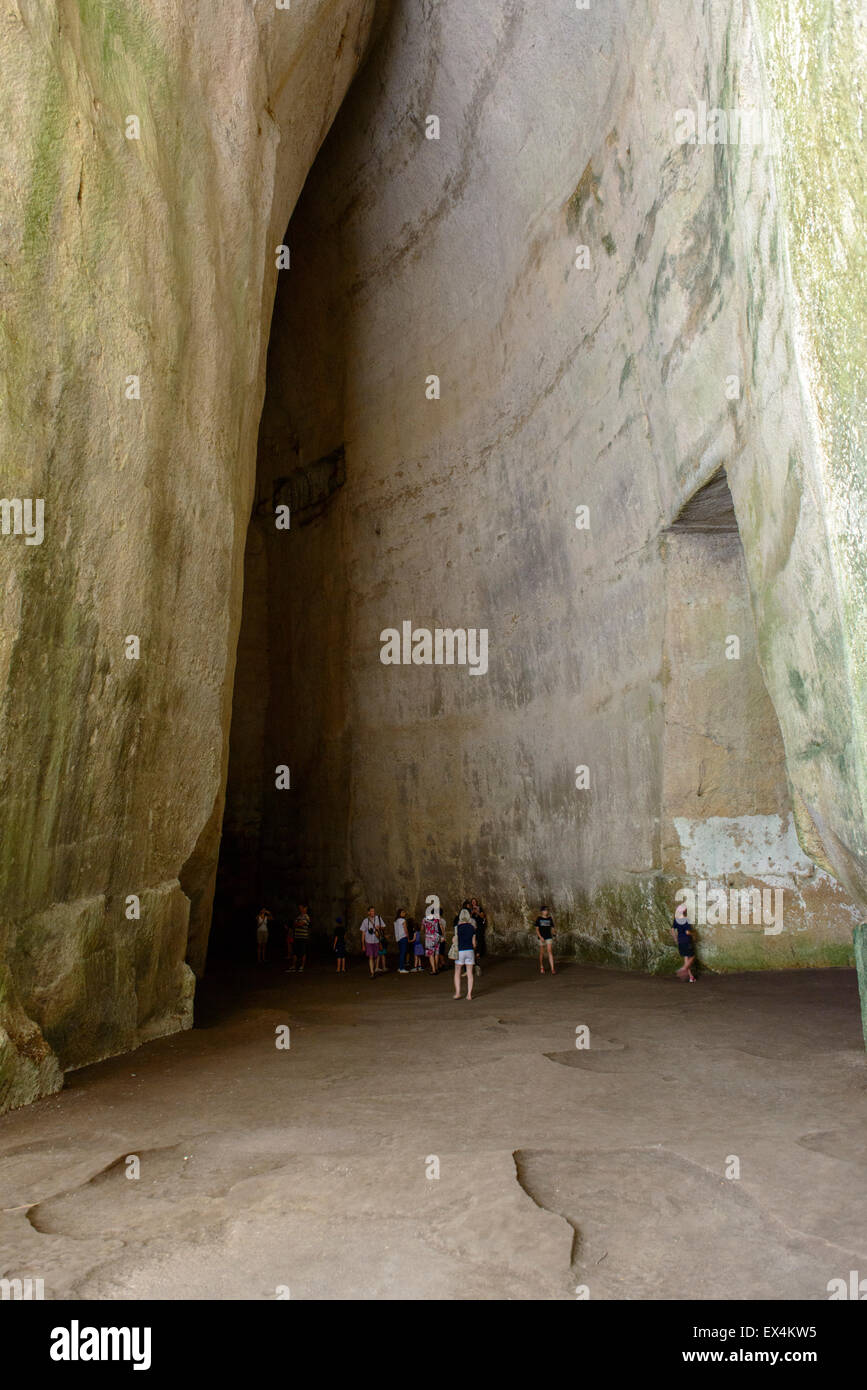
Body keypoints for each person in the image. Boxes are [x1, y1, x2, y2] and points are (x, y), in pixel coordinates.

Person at [453, 908, 477, 1000]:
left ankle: (458, 993)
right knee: (470, 973)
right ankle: (469, 995)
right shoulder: (472, 927)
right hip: (470, 951)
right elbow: (474, 943)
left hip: (460, 951)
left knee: (457, 972)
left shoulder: (457, 928)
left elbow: (454, 940)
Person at [672, 903, 697, 982]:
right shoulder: (686, 920)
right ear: (684, 911)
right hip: (687, 941)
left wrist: (675, 938)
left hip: (680, 941)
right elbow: (687, 932)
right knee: (692, 956)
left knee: (686, 958)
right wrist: (693, 934)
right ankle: (684, 968)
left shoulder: (676, 920)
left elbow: (672, 930)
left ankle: (691, 977)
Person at [360, 907, 385, 978]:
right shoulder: (365, 921)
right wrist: (363, 944)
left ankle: (373, 969)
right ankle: (372, 972)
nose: (373, 912)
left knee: (376, 956)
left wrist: (379, 927)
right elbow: (363, 933)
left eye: (373, 911)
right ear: (368, 912)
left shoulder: (378, 918)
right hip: (368, 941)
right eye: (371, 911)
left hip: (376, 941)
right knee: (371, 956)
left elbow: (384, 927)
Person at [535, 904, 556, 974]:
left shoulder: (550, 919)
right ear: (542, 911)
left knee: (550, 951)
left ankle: (552, 969)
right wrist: (540, 937)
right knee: (542, 952)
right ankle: (541, 966)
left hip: (548, 937)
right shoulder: (539, 919)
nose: (546, 911)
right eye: (544, 910)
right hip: (541, 937)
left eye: (547, 910)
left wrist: (554, 934)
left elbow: (552, 928)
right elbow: (537, 929)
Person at [423, 907, 443, 974]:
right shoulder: (437, 919)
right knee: (436, 953)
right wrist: (442, 936)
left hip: (429, 938)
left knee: (431, 954)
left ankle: (433, 970)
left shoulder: (425, 919)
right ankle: (436, 968)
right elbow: (441, 927)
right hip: (437, 937)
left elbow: (422, 928)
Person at [470, 897, 487, 972]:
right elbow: (468, 917)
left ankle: (478, 953)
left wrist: (477, 912)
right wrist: (472, 912)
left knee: (480, 939)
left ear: (476, 902)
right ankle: (474, 953)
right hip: (473, 926)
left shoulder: (480, 908)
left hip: (479, 926)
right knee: (474, 940)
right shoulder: (470, 909)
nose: (474, 902)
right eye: (472, 901)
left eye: (474, 901)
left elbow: (482, 916)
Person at [293, 904, 311, 973]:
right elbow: (294, 924)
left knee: (303, 952)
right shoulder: (298, 916)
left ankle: (302, 966)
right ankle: (294, 966)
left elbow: (301, 924)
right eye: (299, 908)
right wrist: (298, 923)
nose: (300, 909)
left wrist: (298, 923)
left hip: (303, 937)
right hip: (297, 936)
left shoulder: (306, 917)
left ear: (304, 908)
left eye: (301, 908)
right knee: (295, 952)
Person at [394, 908, 410, 973]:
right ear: (399, 913)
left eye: (404, 912)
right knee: (403, 953)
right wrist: (408, 937)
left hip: (399, 938)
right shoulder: (403, 920)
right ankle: (402, 968)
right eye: (403, 912)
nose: (404, 913)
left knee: (401, 953)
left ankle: (400, 967)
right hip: (403, 937)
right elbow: (405, 930)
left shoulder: (396, 921)